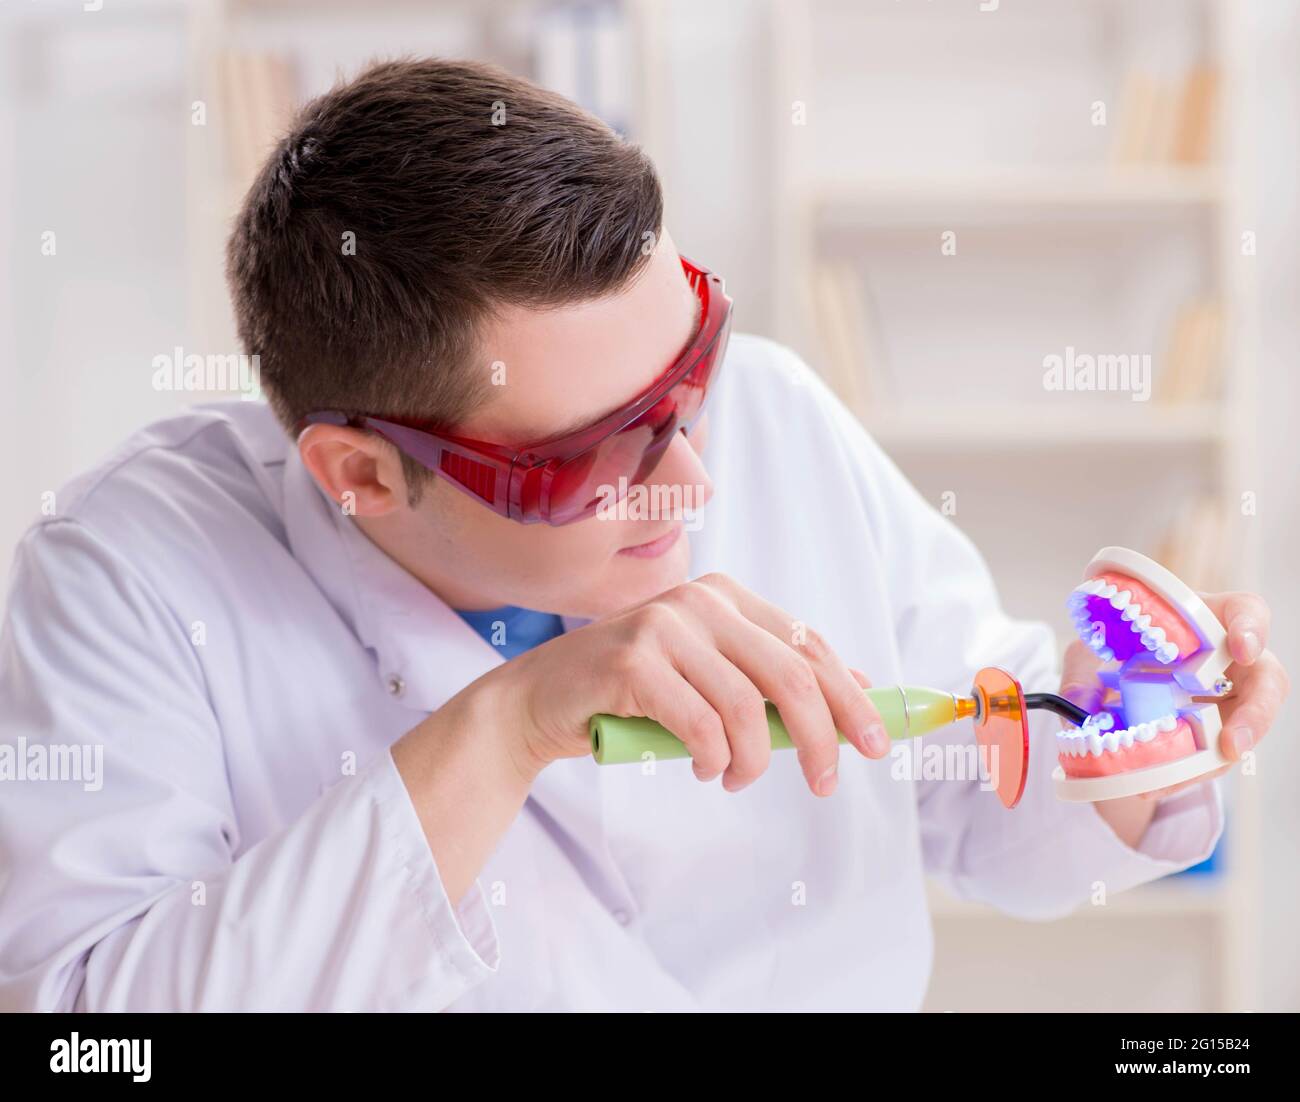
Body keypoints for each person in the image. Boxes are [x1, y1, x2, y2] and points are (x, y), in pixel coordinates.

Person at [0, 59, 1287, 1011]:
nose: (695, 474)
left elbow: (985, 805)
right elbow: (85, 1031)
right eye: (598, 452)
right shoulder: (133, 570)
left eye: (692, 375)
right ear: (362, 475)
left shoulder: (776, 412)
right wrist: (506, 725)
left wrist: (1124, 743)